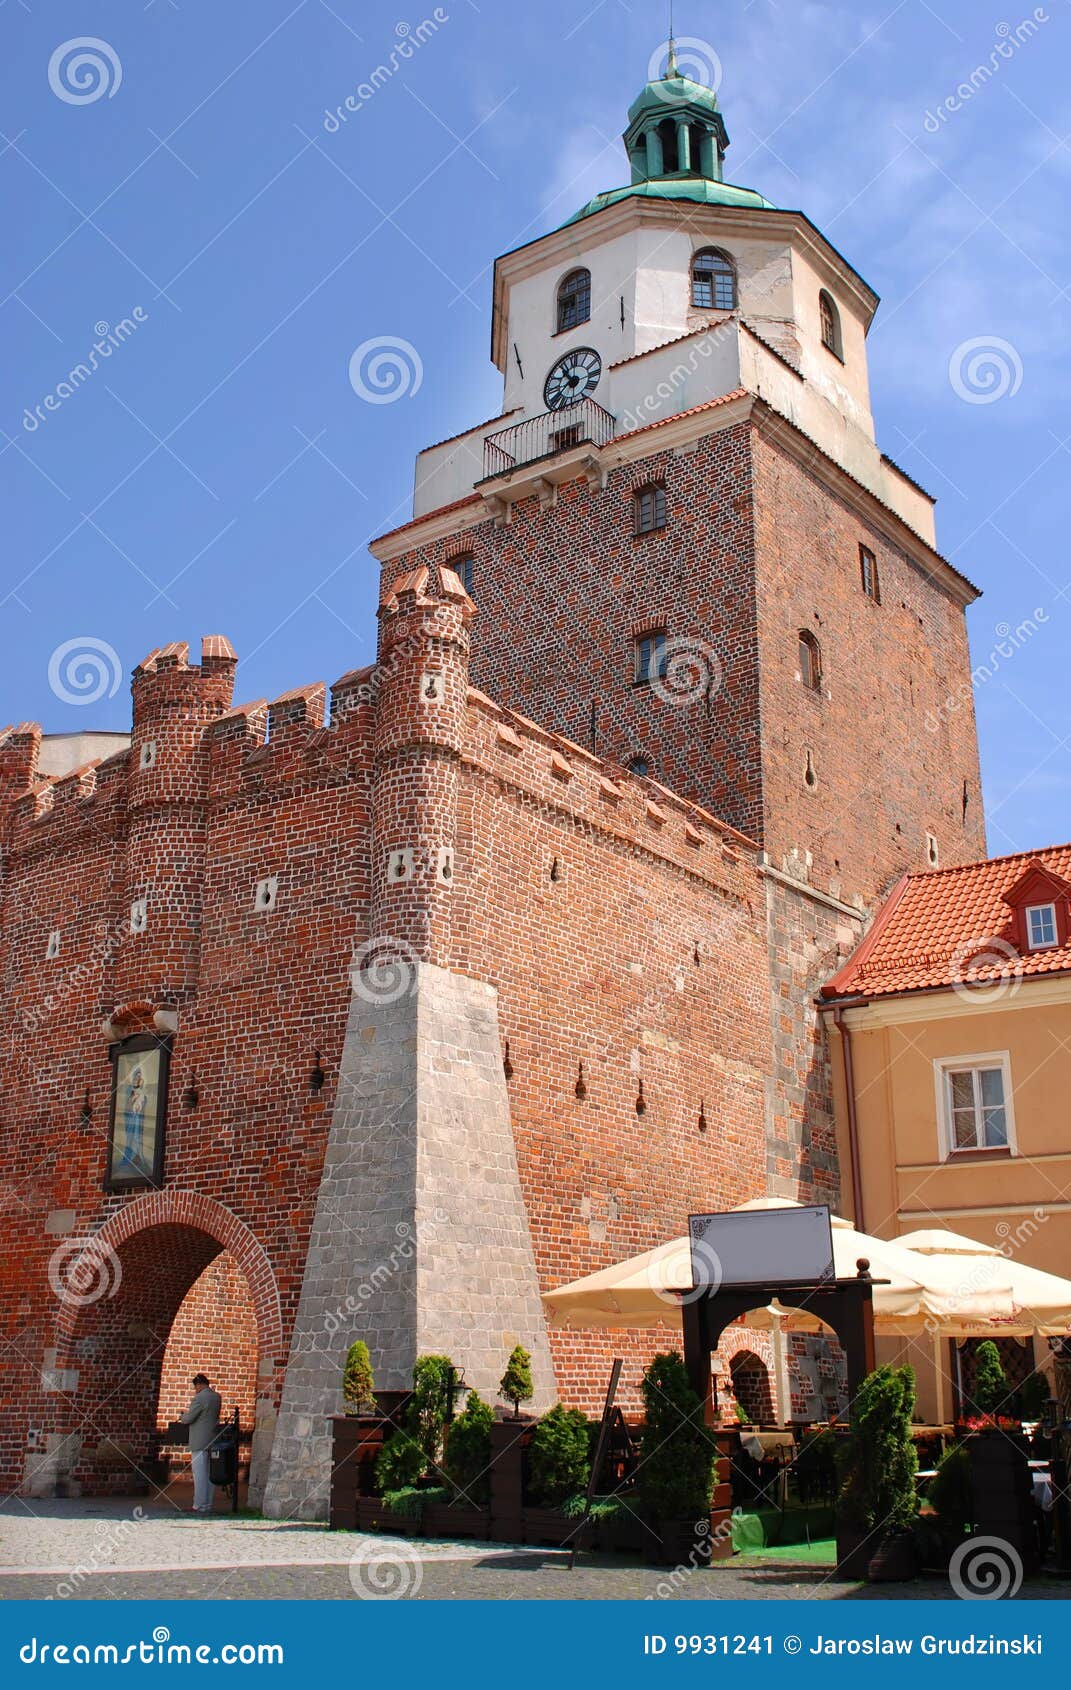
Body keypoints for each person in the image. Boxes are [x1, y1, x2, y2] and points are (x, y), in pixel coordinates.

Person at [180, 1373, 222, 1514]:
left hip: (199, 1441)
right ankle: (207, 1504)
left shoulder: (199, 1398)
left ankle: (198, 1505)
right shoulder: (216, 1397)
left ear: (198, 1385)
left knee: (199, 1475)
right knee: (210, 1474)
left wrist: (182, 1416)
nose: (195, 1389)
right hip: (213, 1439)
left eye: (195, 1386)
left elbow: (189, 1418)